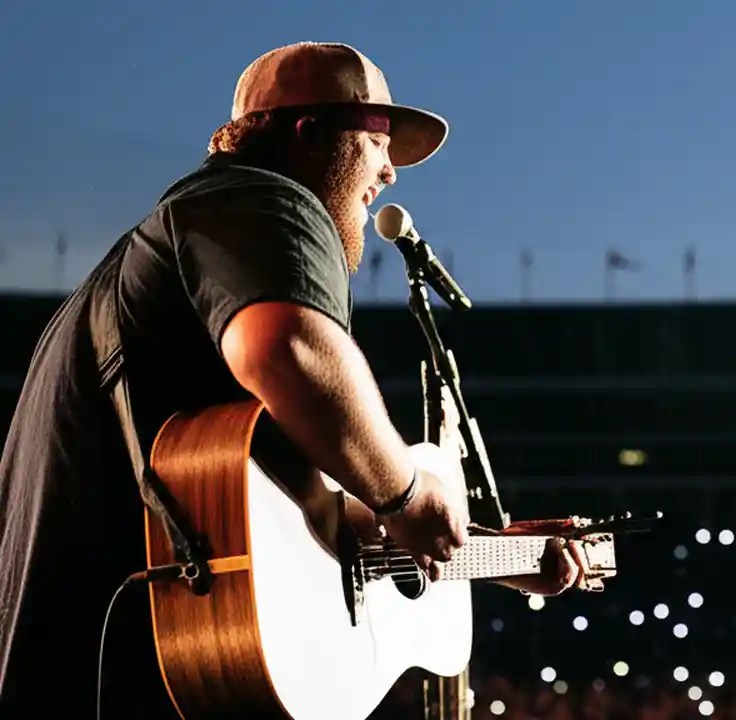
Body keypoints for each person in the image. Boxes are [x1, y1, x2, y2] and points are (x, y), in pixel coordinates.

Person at [0, 41, 590, 718]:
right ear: (309, 135)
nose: (390, 172)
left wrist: (485, 553)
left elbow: (313, 522)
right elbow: (288, 350)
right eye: (376, 140)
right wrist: (405, 490)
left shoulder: (149, 282)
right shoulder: (265, 196)